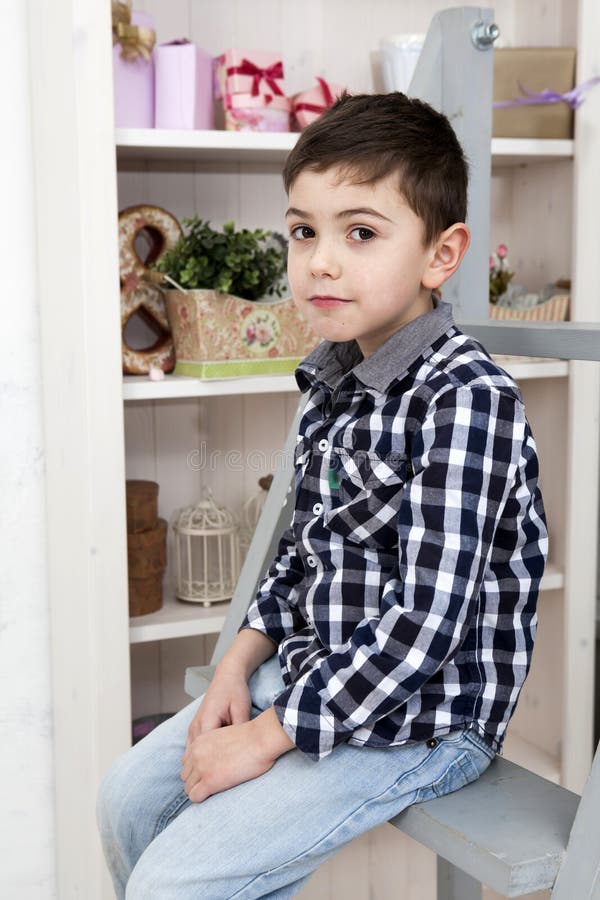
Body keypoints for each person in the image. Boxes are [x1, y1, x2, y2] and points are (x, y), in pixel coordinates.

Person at [97, 92, 548, 899]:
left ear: (441, 256)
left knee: (171, 883)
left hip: (425, 717)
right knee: (126, 802)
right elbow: (305, 552)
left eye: (361, 233)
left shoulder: (467, 399)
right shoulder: (330, 385)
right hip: (318, 675)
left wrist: (268, 738)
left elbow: (424, 630)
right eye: (304, 231)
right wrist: (239, 659)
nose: (320, 262)